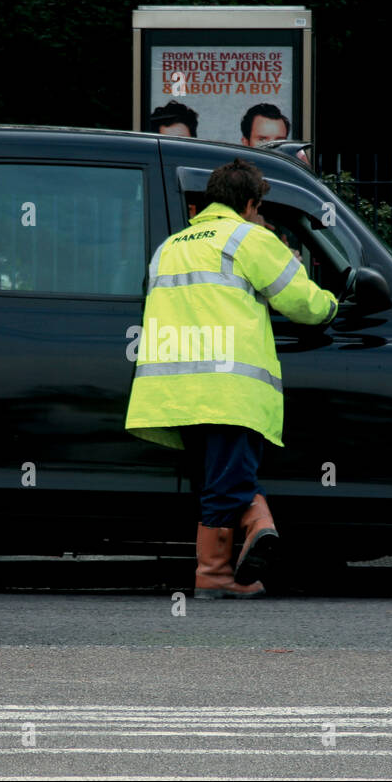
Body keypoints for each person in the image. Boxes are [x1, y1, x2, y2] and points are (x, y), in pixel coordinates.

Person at [125, 158, 338, 598]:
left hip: (174, 391)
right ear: (249, 203)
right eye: (259, 209)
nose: (259, 216)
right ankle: (215, 574)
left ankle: (258, 525)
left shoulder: (170, 246)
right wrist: (333, 305)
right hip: (227, 388)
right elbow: (303, 303)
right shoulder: (248, 237)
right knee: (228, 479)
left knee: (220, 477)